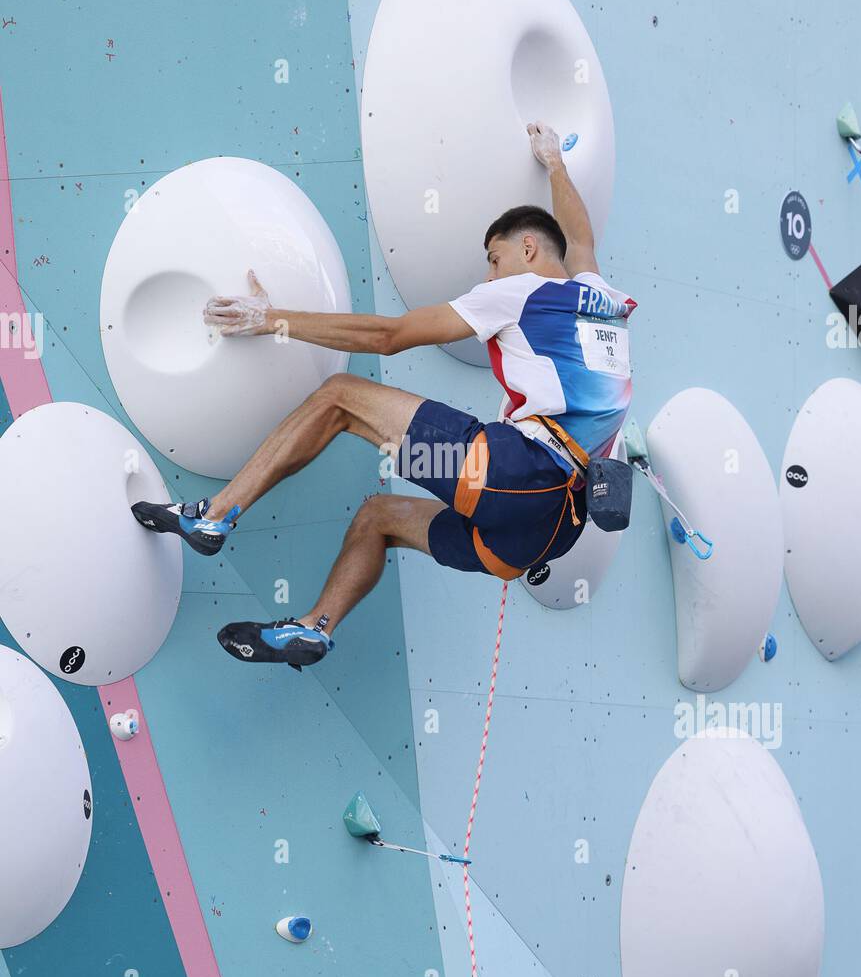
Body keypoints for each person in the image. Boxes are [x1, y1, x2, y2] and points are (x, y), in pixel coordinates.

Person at [132, 122, 636, 671]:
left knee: (340, 398)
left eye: (493, 259)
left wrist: (271, 319)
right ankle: (314, 628)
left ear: (528, 249)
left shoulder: (519, 291)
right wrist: (554, 165)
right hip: (537, 538)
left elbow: (389, 338)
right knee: (378, 517)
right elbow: (580, 238)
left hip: (509, 475)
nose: (489, 276)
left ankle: (215, 514)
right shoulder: (601, 298)